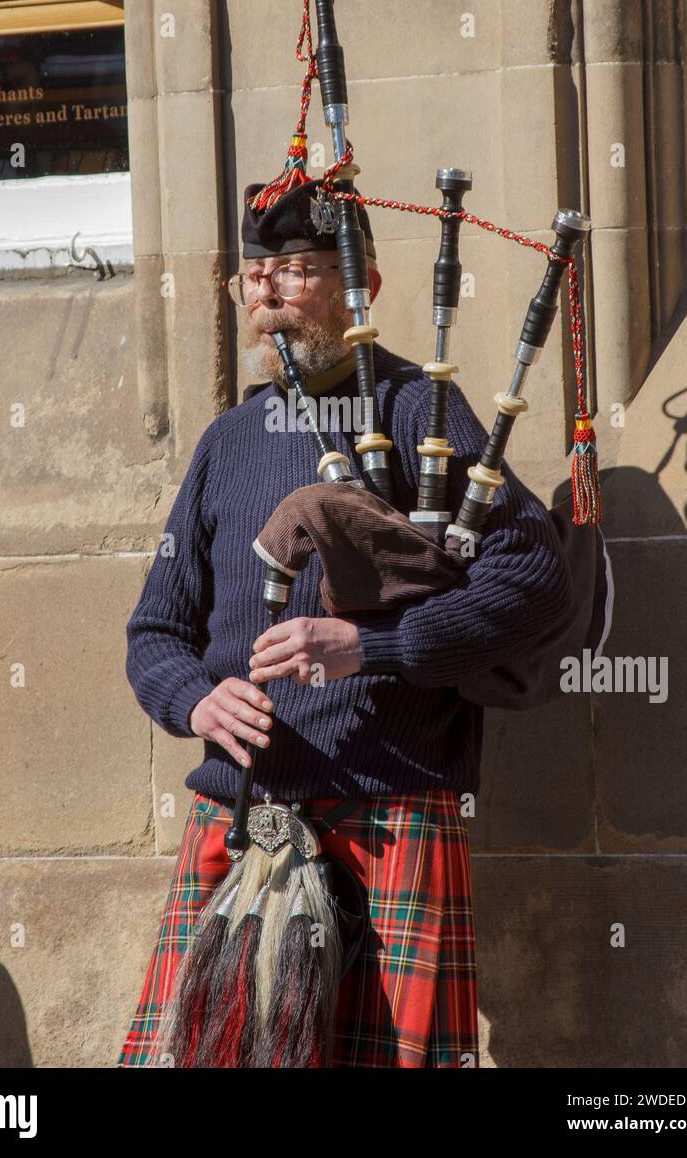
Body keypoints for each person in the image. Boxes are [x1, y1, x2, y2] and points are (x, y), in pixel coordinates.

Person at [116, 176, 576, 1069]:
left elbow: (532, 581)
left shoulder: (418, 411)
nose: (267, 294)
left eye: (292, 270)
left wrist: (372, 646)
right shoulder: (228, 441)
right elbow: (155, 632)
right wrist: (197, 705)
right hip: (241, 817)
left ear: (358, 278)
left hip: (390, 811)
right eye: (254, 277)